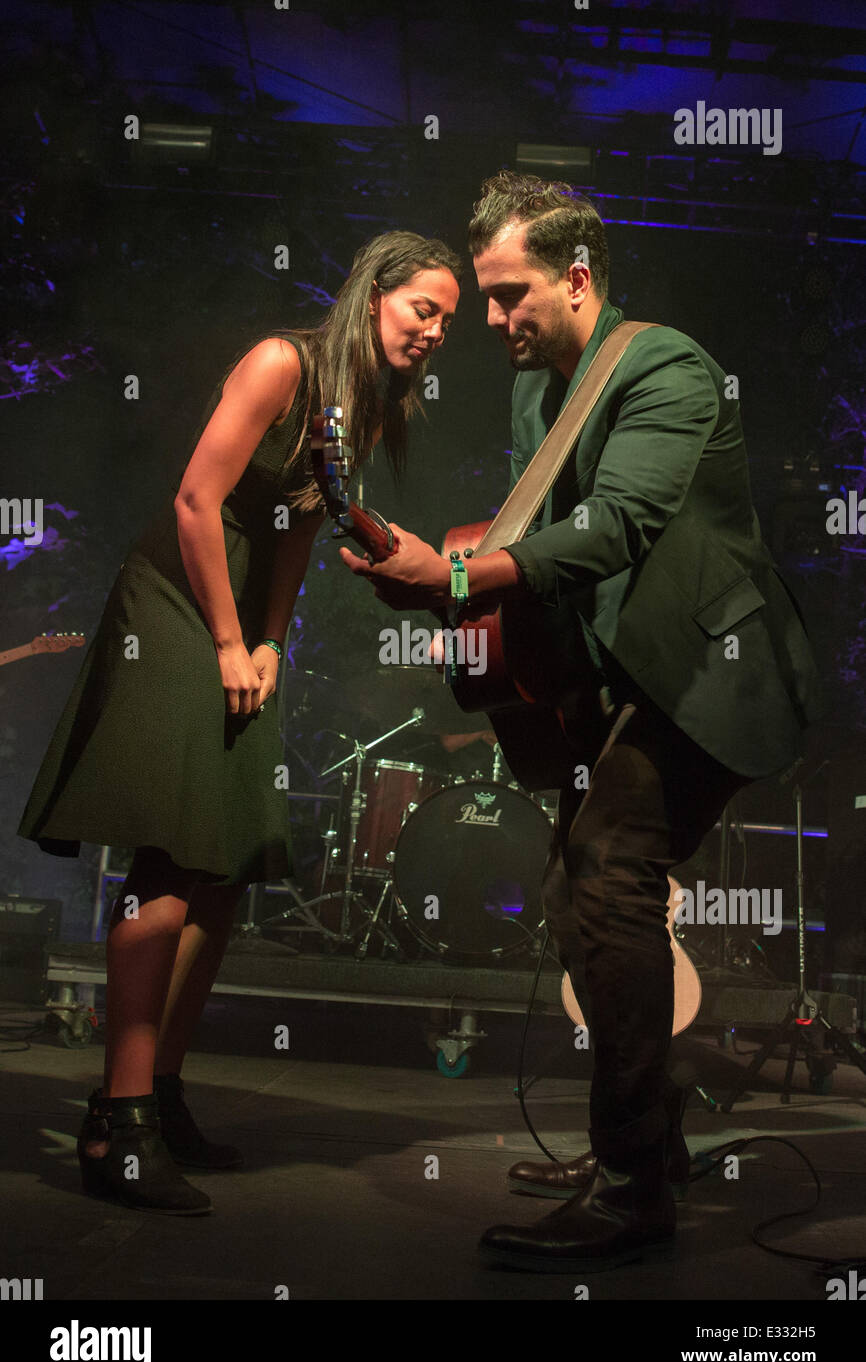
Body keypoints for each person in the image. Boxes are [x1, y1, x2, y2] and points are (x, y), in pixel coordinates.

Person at [340, 171, 822, 1272]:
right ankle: (647, 1134)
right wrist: (448, 588)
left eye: (510, 296)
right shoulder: (531, 389)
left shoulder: (664, 367)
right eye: (484, 298)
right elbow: (538, 538)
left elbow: (614, 529)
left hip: (708, 674)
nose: (493, 320)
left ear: (576, 275)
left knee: (606, 874)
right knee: (575, 886)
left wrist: (456, 580)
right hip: (622, 679)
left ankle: (632, 1183)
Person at [18, 230, 461, 1216]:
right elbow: (194, 498)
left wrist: (271, 639)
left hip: (236, 619)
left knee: (220, 863)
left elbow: (299, 527)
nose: (435, 332)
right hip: (175, 604)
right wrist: (225, 637)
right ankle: (115, 1119)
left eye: (447, 321)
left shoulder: (367, 413)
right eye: (422, 308)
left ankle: (158, 1092)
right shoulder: (280, 362)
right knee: (169, 853)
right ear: (373, 294)